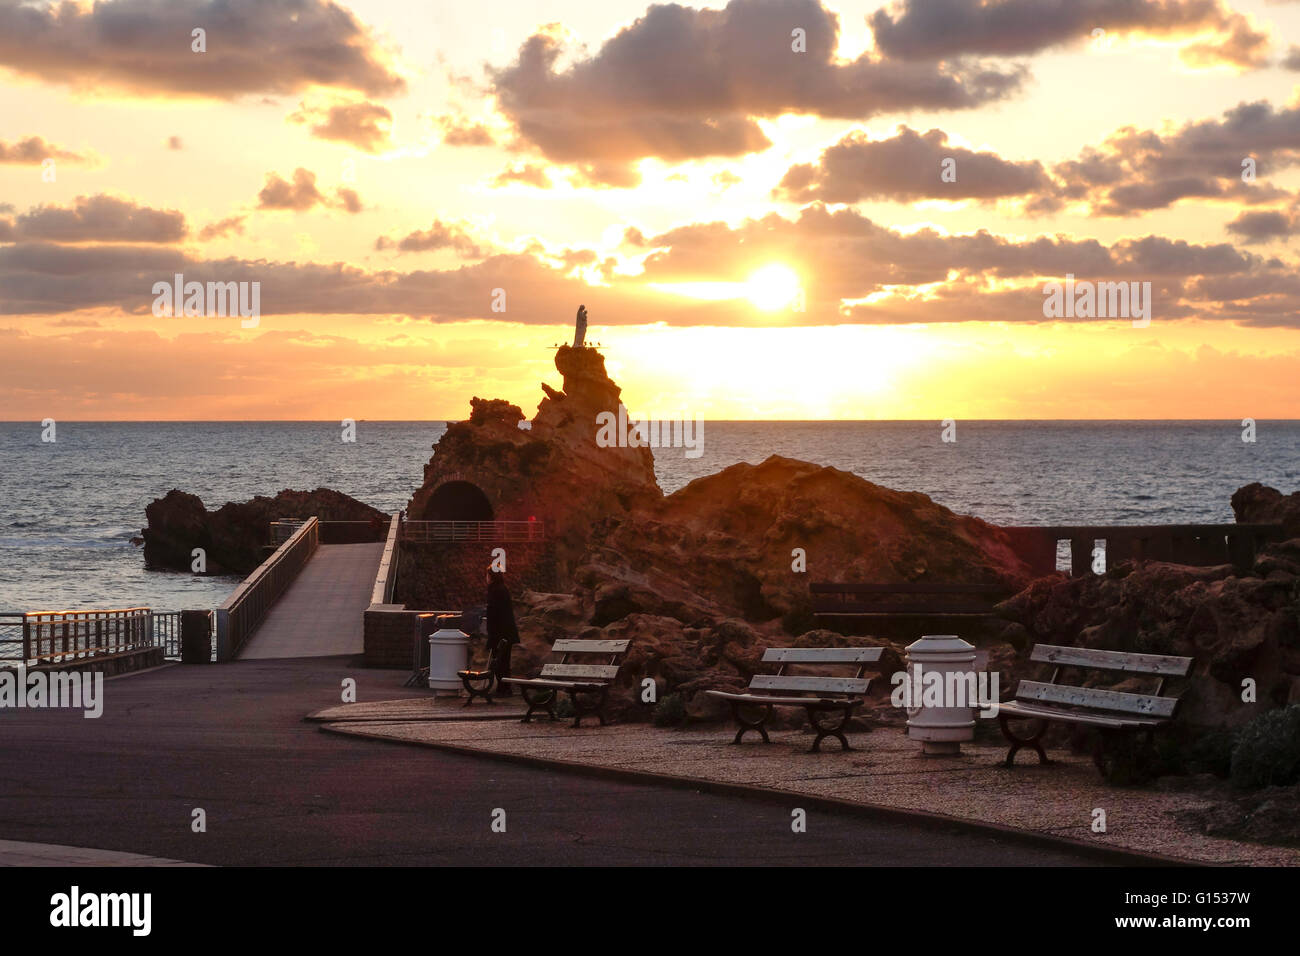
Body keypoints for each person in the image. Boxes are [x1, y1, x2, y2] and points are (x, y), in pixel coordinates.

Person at [484, 570, 519, 694]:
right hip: (506, 633)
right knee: (504, 661)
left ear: (492, 576)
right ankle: (504, 687)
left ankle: (503, 688)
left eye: (487, 575)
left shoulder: (495, 591)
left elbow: (493, 614)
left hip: (499, 634)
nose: (486, 578)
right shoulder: (502, 589)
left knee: (499, 661)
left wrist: (491, 635)